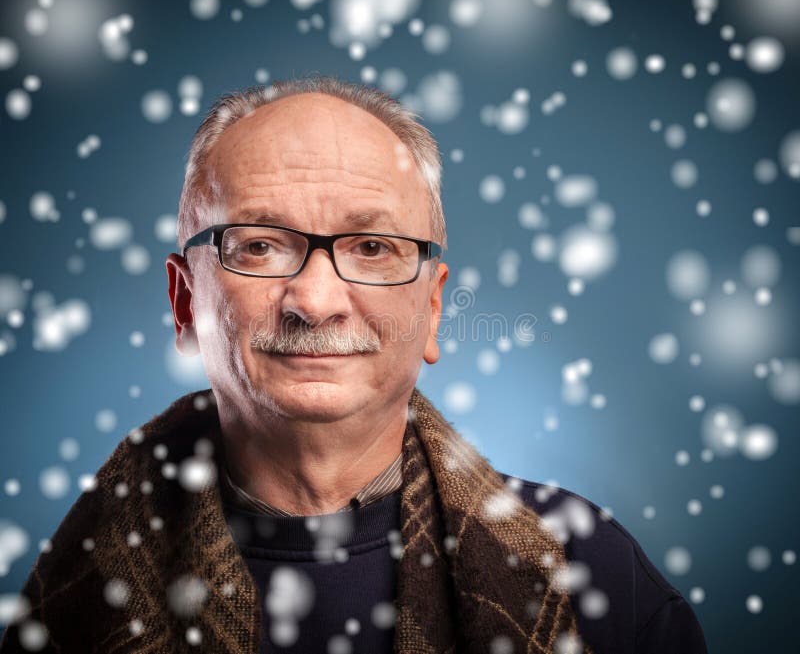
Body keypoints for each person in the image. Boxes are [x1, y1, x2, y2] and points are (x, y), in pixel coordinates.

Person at [0, 77, 708, 654]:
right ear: (185, 301)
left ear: (432, 310)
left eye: (372, 247)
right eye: (258, 245)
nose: (314, 300)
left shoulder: (593, 574)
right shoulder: (72, 601)